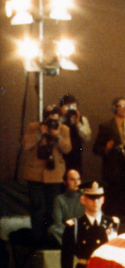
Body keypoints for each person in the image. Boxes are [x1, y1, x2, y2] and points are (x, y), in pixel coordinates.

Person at [61, 182, 119, 268]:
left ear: (103, 200)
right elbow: (66, 261)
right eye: (91, 198)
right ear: (83, 200)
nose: (95, 202)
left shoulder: (112, 224)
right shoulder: (74, 226)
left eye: (98, 198)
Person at [21, 104, 72, 245]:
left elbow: (67, 149)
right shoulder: (34, 127)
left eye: (56, 120)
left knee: (53, 208)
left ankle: (51, 238)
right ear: (44, 119)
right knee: (37, 208)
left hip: (54, 175)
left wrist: (57, 137)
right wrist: (39, 133)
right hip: (35, 174)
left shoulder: (63, 129)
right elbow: (25, 145)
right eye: (50, 120)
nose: (53, 123)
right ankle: (38, 239)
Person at [93, 97, 125, 218]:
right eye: (121, 106)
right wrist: (106, 148)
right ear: (114, 108)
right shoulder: (107, 126)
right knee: (114, 202)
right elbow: (96, 149)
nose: (124, 109)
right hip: (113, 170)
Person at [47, 169, 84, 246]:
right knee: (53, 229)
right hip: (68, 230)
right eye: (72, 180)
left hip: (83, 229)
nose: (76, 183)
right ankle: (72, 246)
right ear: (65, 182)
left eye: (78, 179)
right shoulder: (60, 199)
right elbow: (57, 222)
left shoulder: (85, 197)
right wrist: (70, 231)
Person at [58, 94, 92, 173]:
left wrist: (78, 124)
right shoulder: (56, 119)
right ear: (61, 107)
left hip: (75, 157)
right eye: (68, 107)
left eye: (73, 107)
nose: (70, 110)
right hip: (60, 156)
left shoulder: (81, 119)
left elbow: (87, 138)